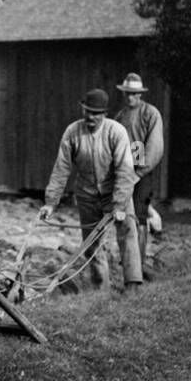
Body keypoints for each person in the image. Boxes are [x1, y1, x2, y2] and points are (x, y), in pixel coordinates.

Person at [38, 88, 142, 291]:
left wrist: (119, 205)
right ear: (82, 109)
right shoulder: (72, 132)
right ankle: (100, 291)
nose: (90, 117)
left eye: (96, 113)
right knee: (93, 244)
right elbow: (61, 168)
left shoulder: (116, 132)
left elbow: (125, 170)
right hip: (87, 196)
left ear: (104, 113)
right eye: (87, 111)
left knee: (128, 233)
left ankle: (133, 284)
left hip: (116, 193)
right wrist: (50, 203)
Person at [113, 73, 164, 277]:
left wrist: (140, 172)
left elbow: (155, 146)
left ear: (140, 94)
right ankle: (128, 259)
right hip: (123, 173)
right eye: (127, 94)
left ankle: (139, 264)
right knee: (123, 216)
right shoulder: (119, 117)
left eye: (134, 94)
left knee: (138, 217)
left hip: (142, 172)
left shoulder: (150, 114)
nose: (130, 97)